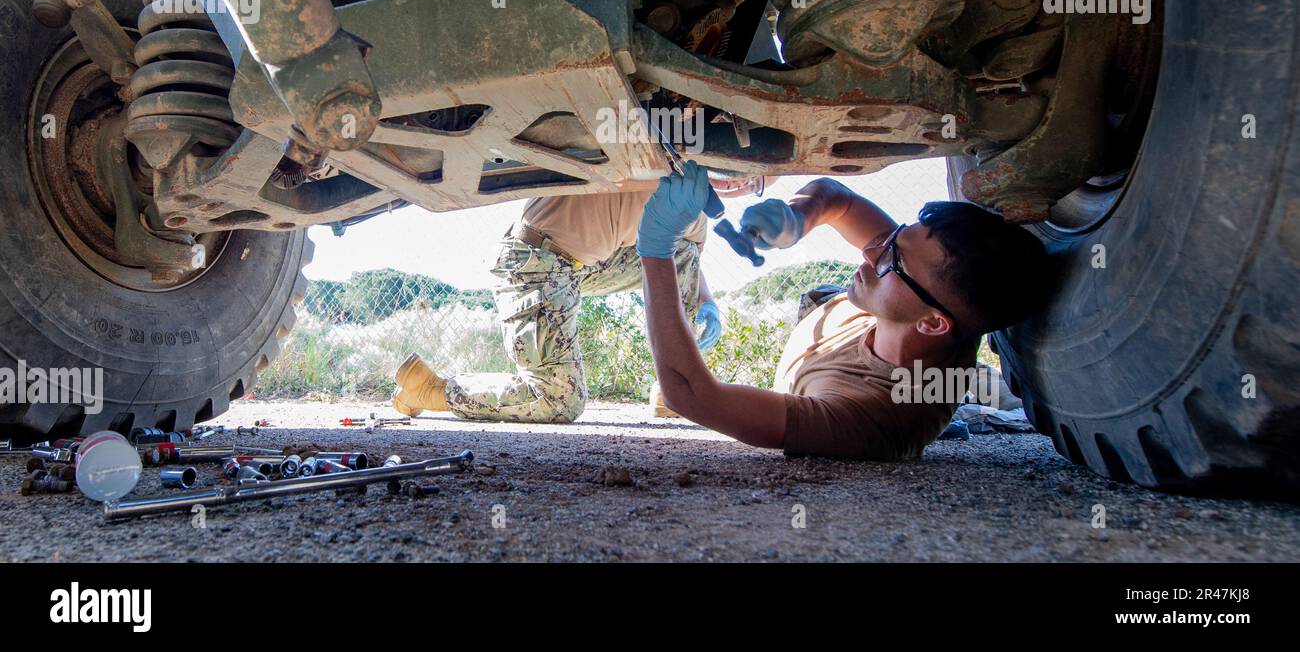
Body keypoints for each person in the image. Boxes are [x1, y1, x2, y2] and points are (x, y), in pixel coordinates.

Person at [634, 162, 1052, 460]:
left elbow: (690, 394)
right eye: (896, 237)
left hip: (820, 365)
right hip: (833, 309)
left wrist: (655, 247)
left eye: (891, 260)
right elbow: (838, 198)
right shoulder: (946, 289)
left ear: (933, 322)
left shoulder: (872, 420)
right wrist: (797, 218)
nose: (871, 250)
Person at [391, 174, 766, 423]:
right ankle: (431, 390)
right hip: (535, 261)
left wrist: (709, 304)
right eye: (748, 170)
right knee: (559, 400)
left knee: (682, 250)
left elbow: (686, 261)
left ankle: (674, 387)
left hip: (585, 266)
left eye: (758, 184)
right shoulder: (660, 153)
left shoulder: (695, 212)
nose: (744, 181)